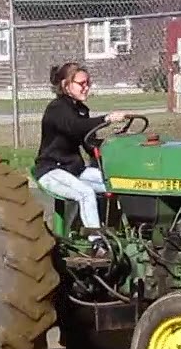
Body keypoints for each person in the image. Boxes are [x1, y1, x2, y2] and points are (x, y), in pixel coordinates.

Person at [31, 62, 129, 255]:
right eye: (81, 83)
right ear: (67, 85)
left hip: (74, 169)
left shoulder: (81, 109)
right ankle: (97, 243)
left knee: (120, 183)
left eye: (88, 82)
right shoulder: (57, 109)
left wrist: (116, 145)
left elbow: (89, 142)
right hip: (51, 170)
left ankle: (122, 232)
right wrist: (107, 119)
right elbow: (75, 127)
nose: (87, 87)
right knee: (85, 193)